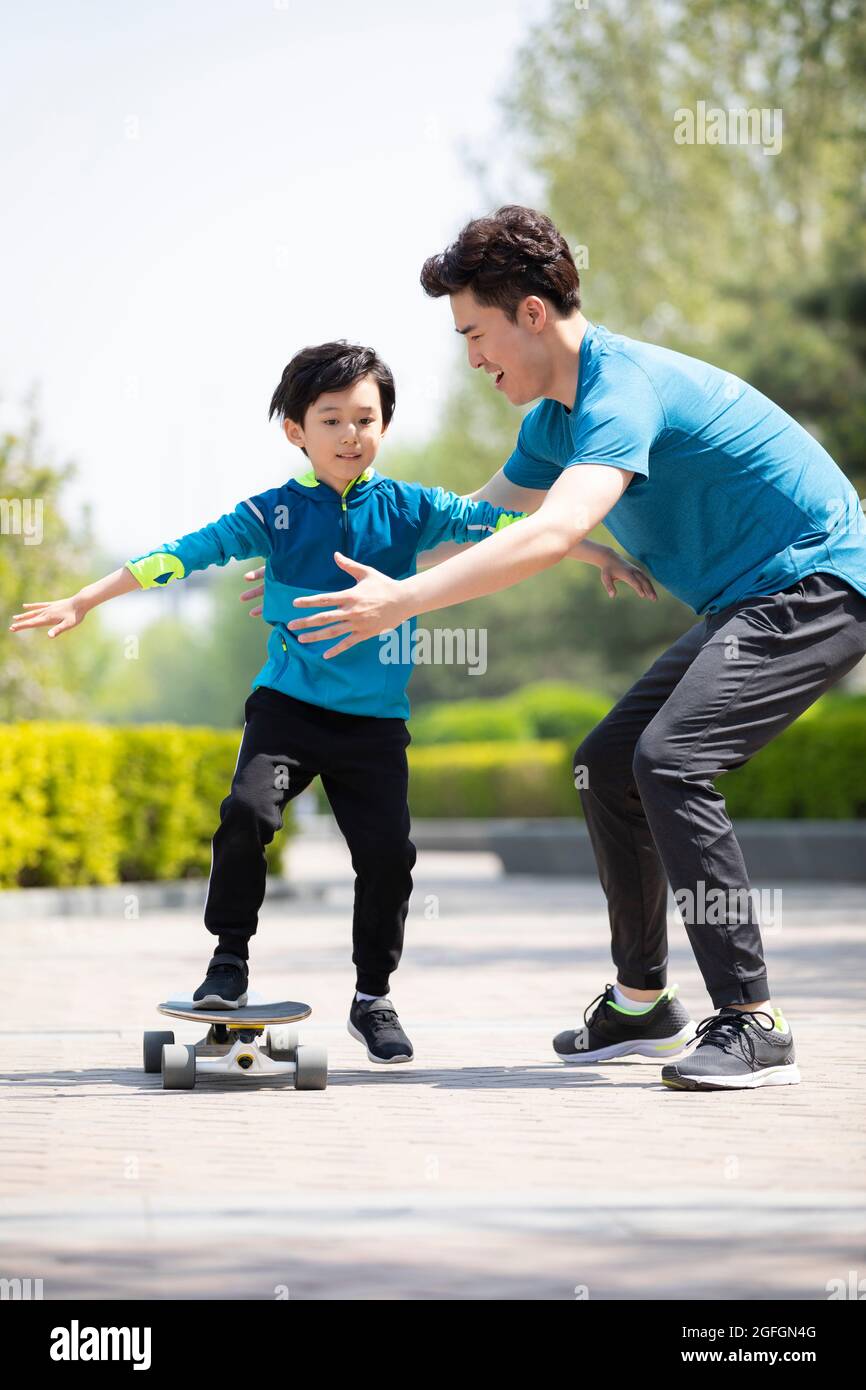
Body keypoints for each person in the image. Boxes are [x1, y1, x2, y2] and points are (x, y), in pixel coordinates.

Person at [281, 207, 866, 1092]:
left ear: (530, 314)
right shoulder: (553, 422)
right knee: (608, 763)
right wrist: (314, 568)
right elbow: (469, 519)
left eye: (475, 332)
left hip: (818, 583)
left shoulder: (619, 387)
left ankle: (754, 1020)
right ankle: (642, 1003)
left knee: (669, 760)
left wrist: (401, 601)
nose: (472, 358)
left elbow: (554, 531)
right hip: (749, 599)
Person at [10, 338, 654, 1065]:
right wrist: (87, 599)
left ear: (383, 426)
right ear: (297, 431)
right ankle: (228, 960)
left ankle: (372, 997)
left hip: (375, 727)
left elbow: (513, 529)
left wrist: (594, 550)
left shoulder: (412, 509)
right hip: (288, 711)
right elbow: (183, 552)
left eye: (366, 418)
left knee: (388, 857)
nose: (351, 435)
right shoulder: (274, 512)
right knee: (246, 814)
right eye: (332, 420)